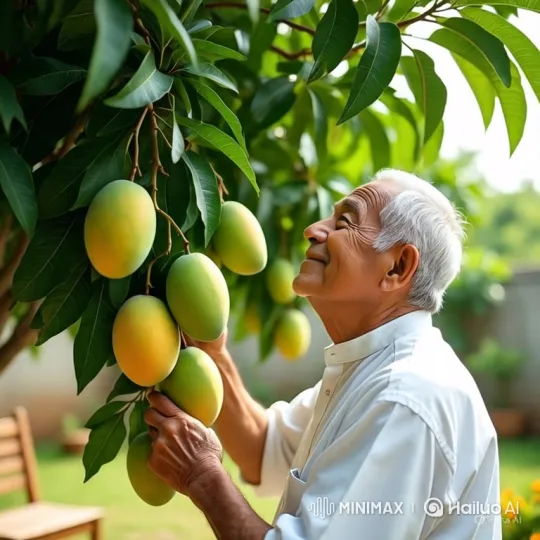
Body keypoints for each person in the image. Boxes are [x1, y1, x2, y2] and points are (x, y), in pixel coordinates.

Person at [144, 169, 502, 540]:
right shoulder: (371, 369)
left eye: (344, 222)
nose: (313, 229)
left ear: (397, 267)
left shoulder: (403, 396)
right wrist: (213, 354)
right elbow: (264, 449)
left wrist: (202, 477)